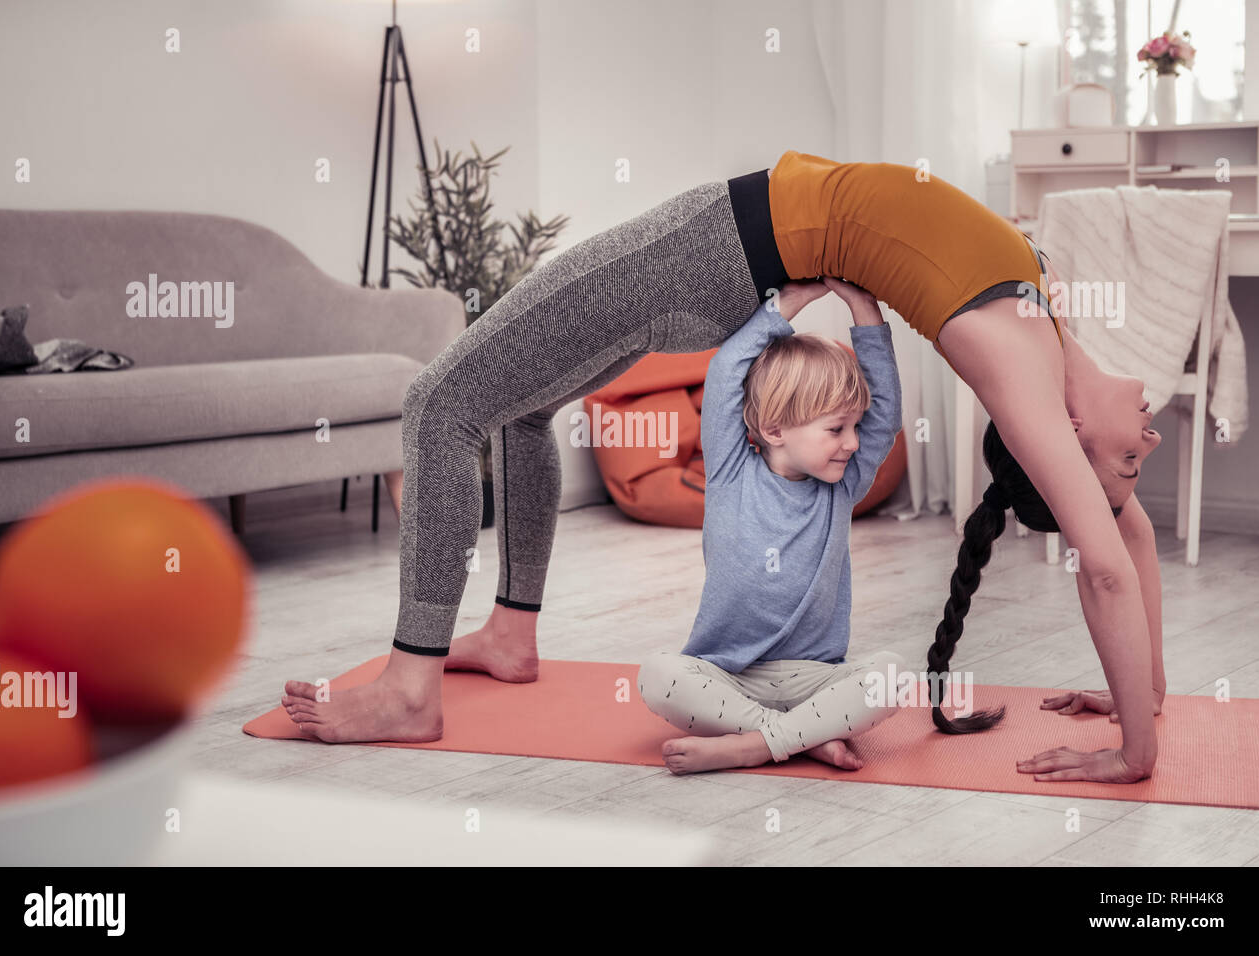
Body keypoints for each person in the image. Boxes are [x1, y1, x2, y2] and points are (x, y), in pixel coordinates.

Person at [283, 151, 1163, 786]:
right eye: (1138, 459)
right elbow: (1128, 530)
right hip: (731, 245)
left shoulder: (1022, 371)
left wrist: (1133, 755)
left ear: (1069, 434)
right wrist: (1145, 698)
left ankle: (408, 689)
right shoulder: (1046, 331)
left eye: (1126, 459)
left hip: (714, 249)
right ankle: (510, 636)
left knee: (437, 405)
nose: (1151, 439)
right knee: (519, 405)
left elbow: (1109, 568)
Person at [637, 276, 905, 775]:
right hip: (727, 675)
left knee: (893, 675)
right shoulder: (729, 472)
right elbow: (725, 373)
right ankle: (806, 738)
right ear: (775, 430)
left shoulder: (841, 485)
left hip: (815, 678)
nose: (852, 442)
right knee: (658, 675)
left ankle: (751, 746)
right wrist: (792, 301)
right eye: (836, 428)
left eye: (853, 427)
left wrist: (864, 309)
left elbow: (885, 417)